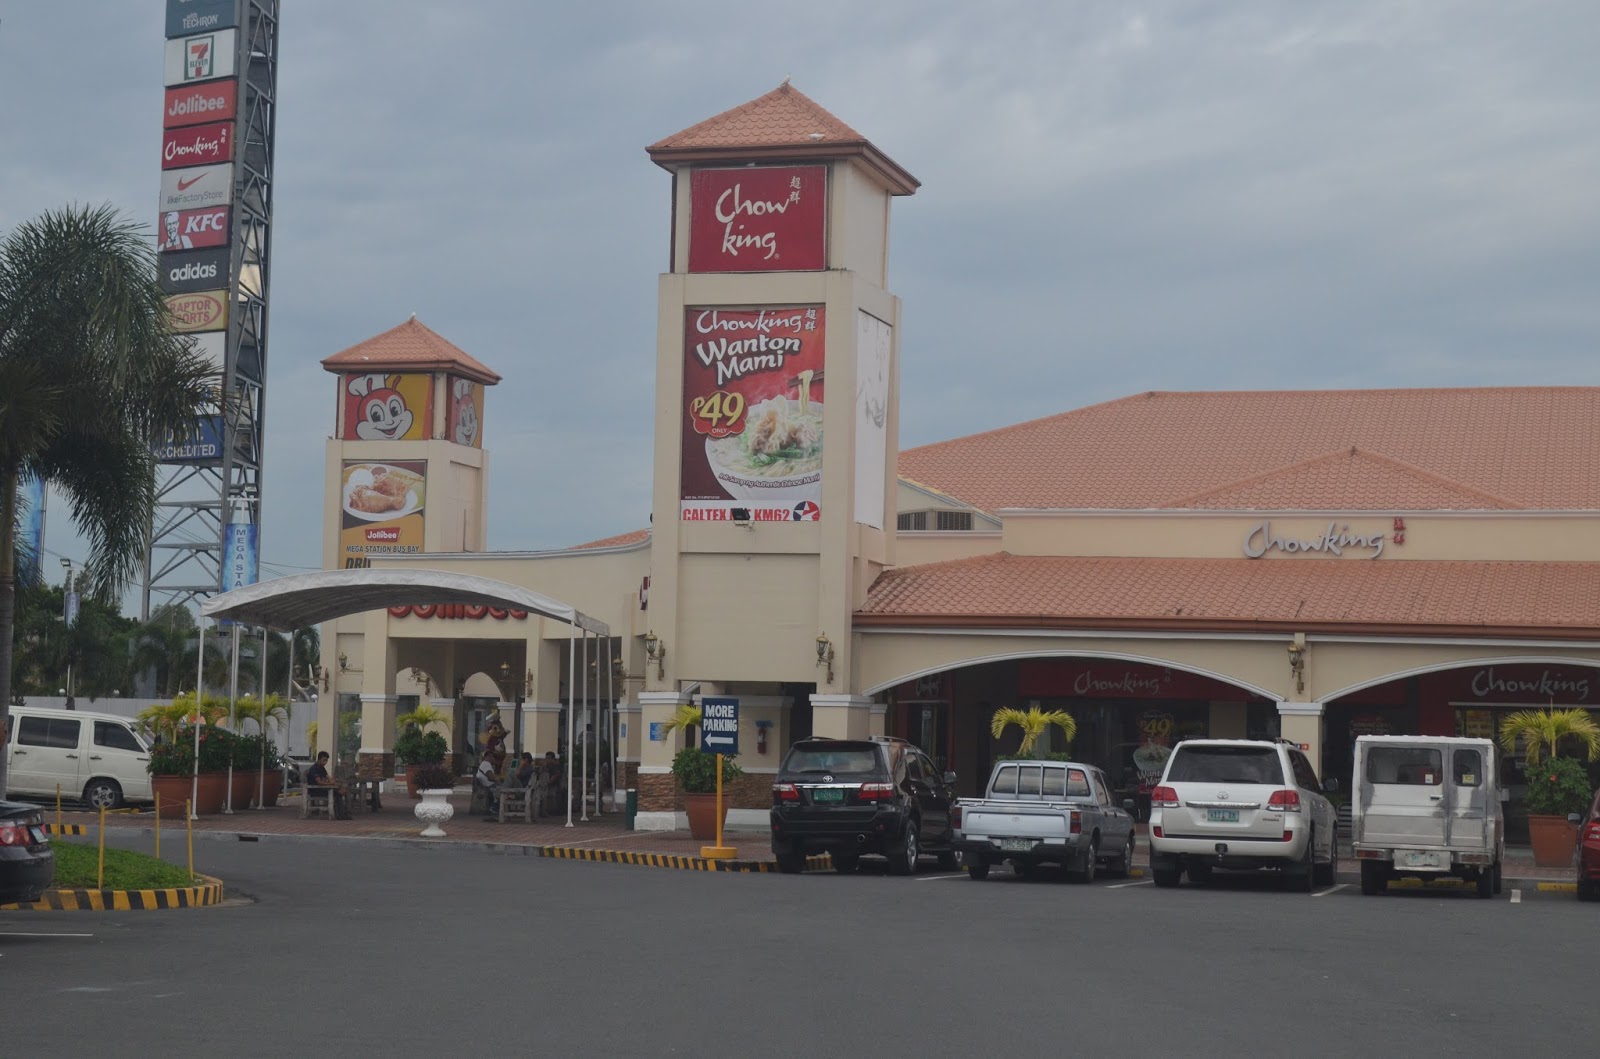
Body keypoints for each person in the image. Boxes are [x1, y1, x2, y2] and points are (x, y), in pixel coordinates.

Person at [305, 751, 347, 817]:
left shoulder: (322, 768)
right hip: (315, 791)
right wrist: (330, 783)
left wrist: (335, 782)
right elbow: (319, 782)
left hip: (323, 789)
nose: (325, 762)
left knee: (343, 791)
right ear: (319, 759)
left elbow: (329, 778)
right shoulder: (314, 769)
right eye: (324, 760)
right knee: (338, 794)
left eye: (326, 760)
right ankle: (341, 814)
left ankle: (343, 812)